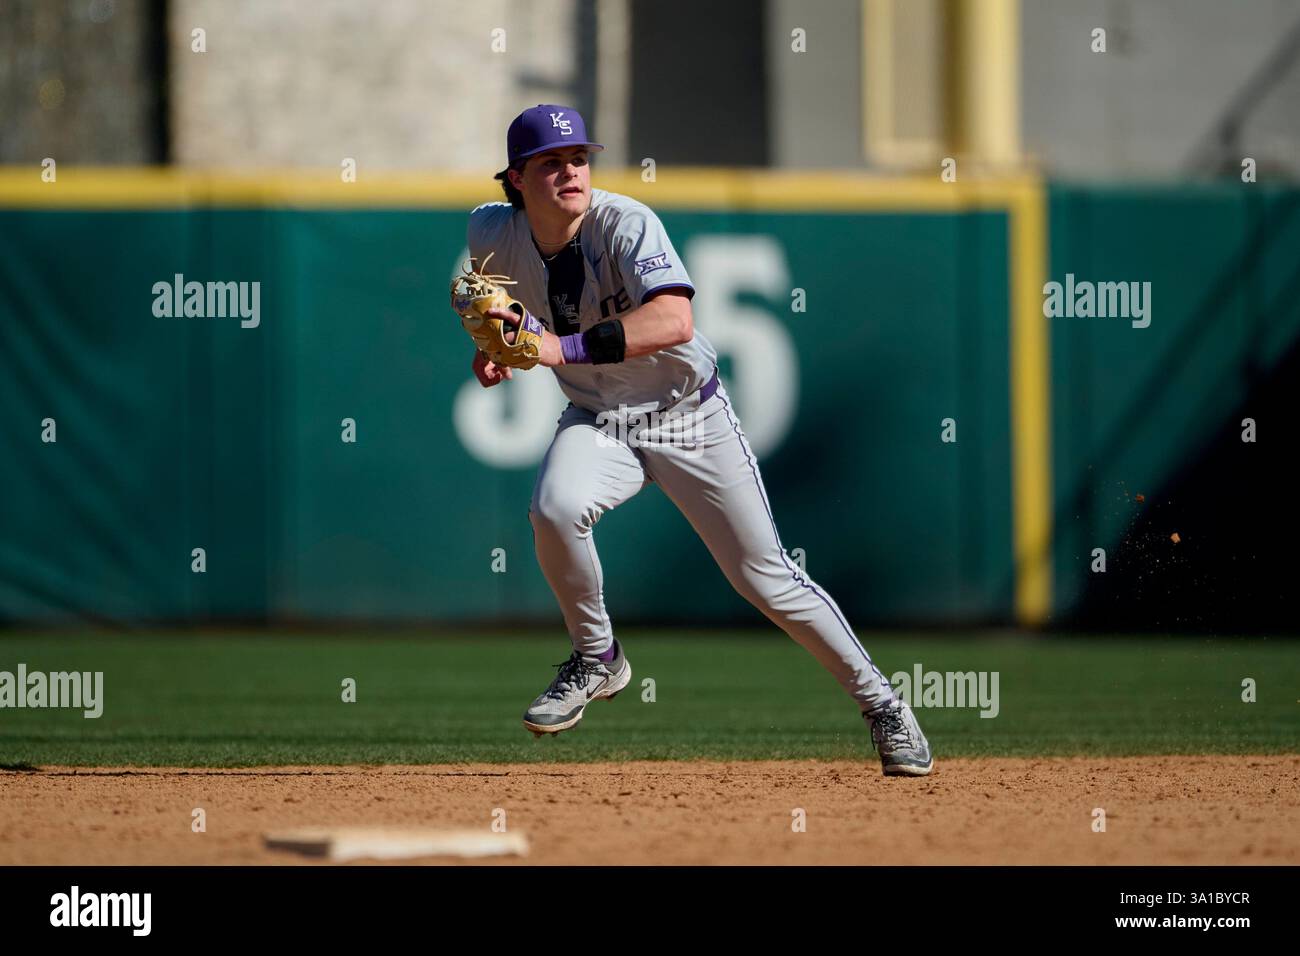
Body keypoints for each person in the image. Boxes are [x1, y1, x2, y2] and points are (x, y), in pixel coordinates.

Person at [463, 104, 932, 775]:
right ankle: (597, 657)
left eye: (579, 158)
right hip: (600, 417)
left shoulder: (624, 222)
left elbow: (675, 320)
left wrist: (554, 347)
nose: (570, 172)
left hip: (687, 412)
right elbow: (493, 306)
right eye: (550, 163)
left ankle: (885, 706)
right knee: (554, 510)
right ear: (516, 177)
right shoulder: (489, 229)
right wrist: (493, 352)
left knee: (764, 578)